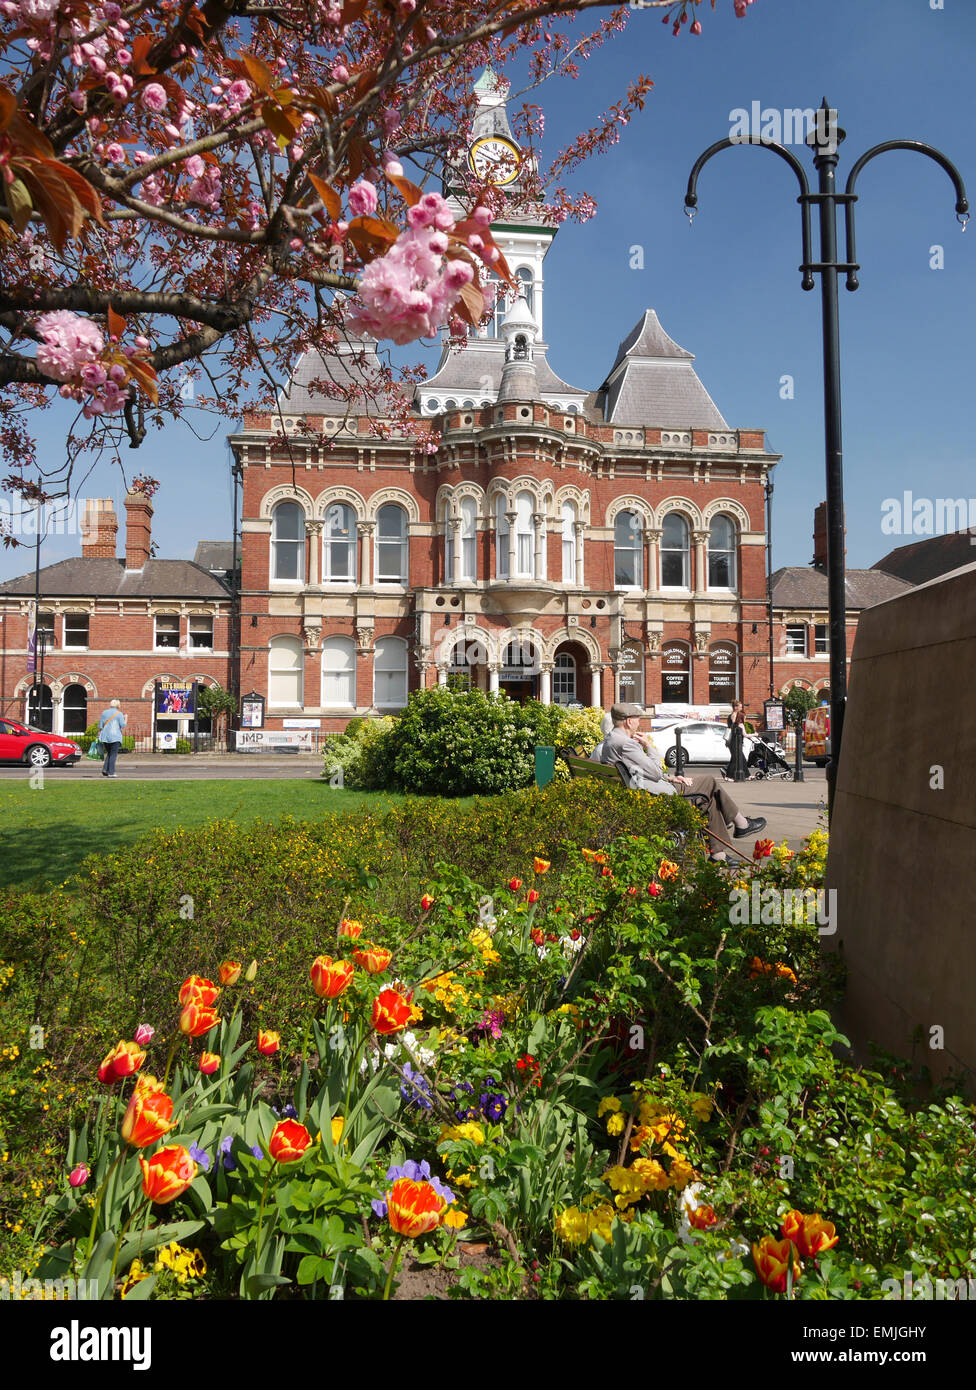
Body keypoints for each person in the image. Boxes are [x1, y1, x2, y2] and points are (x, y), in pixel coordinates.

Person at [601, 703, 766, 861]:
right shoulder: (627, 744)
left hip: (644, 788)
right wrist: (648, 746)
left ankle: (720, 854)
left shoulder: (611, 740)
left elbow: (639, 772)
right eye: (637, 720)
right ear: (629, 722)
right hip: (656, 794)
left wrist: (671, 777)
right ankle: (740, 824)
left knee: (707, 799)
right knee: (709, 782)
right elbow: (656, 771)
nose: (638, 724)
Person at [98, 698, 127, 778]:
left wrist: (98, 734)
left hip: (105, 736)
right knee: (113, 755)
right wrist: (126, 718)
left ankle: (105, 770)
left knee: (110, 753)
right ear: (118, 705)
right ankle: (111, 772)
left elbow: (100, 726)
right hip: (115, 737)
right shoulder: (119, 714)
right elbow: (123, 725)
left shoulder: (104, 712)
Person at [727, 699, 748, 781]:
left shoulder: (736, 715)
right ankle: (728, 775)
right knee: (737, 758)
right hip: (734, 739)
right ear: (735, 707)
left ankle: (746, 775)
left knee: (739, 758)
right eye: (740, 707)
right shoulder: (734, 715)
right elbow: (733, 726)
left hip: (736, 739)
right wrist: (740, 724)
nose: (741, 708)